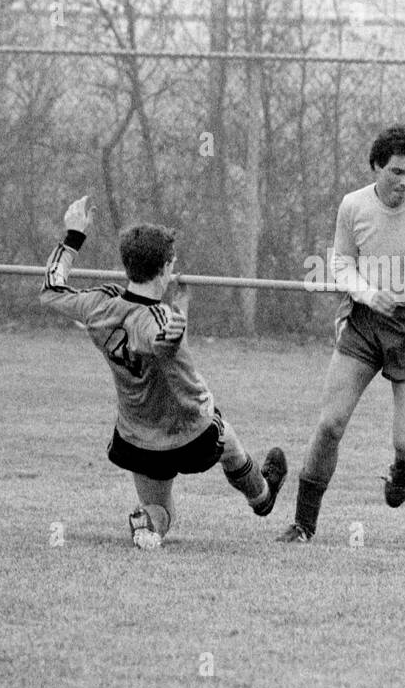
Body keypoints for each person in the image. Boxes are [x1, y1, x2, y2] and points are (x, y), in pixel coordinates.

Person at [40, 195, 287, 549]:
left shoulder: (99, 304)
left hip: (136, 437)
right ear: (168, 266)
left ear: (128, 265)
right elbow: (160, 342)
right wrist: (180, 310)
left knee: (160, 510)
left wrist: (74, 235)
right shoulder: (157, 321)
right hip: (190, 433)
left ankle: (146, 524)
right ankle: (262, 498)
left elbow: (51, 288)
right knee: (229, 443)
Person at [277, 125, 405, 543]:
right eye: (396, 172)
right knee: (331, 422)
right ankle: (303, 524)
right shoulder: (353, 206)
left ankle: (402, 470)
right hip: (366, 320)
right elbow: (341, 265)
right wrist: (369, 294)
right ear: (375, 166)